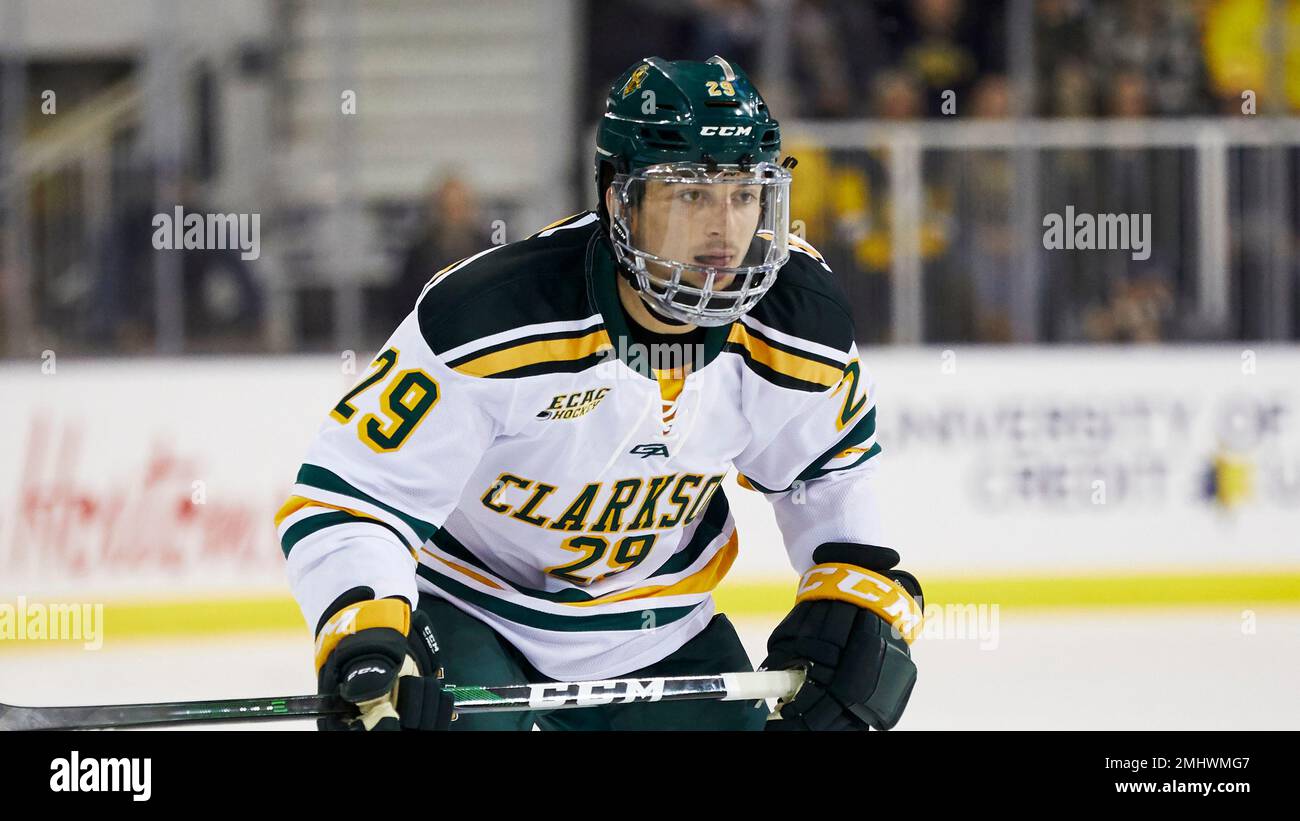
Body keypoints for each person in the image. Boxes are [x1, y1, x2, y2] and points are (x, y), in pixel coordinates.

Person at [277, 56, 924, 731]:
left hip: (657, 625)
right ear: (621, 200)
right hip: (473, 611)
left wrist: (859, 587)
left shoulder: (798, 318)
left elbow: (828, 472)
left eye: (742, 193)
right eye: (690, 193)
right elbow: (351, 496)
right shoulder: (491, 317)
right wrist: (364, 630)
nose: (725, 230)